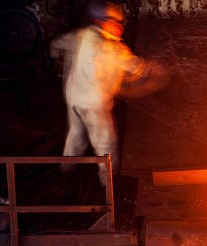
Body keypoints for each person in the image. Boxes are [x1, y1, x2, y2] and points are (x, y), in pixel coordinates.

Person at [50, 1, 148, 187]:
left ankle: (65, 173)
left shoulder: (78, 36)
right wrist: (151, 71)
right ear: (100, 21)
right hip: (94, 106)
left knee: (75, 137)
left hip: (73, 100)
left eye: (120, 23)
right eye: (114, 22)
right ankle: (109, 186)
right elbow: (137, 67)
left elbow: (56, 44)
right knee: (106, 145)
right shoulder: (110, 47)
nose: (119, 26)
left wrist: (57, 60)